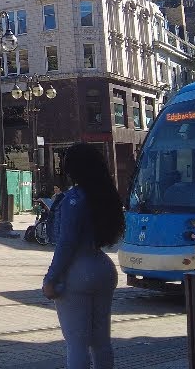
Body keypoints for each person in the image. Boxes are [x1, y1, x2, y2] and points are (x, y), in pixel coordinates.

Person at [42, 143, 126, 369]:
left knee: (77, 343)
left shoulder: (73, 199)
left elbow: (66, 243)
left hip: (78, 273)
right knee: (101, 342)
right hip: (103, 267)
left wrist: (51, 278)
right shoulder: (106, 195)